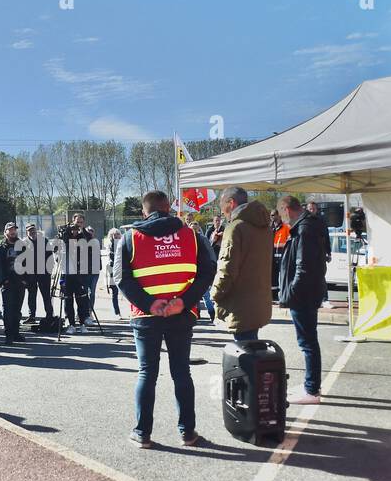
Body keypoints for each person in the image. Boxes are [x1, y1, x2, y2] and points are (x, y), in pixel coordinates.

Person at [116, 191, 216, 449]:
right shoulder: (192, 236)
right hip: (181, 314)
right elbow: (208, 271)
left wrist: (149, 303)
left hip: (146, 316)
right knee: (181, 372)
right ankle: (188, 433)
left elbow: (121, 279)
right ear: (169, 209)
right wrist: (185, 300)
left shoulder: (129, 238)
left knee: (147, 373)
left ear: (143, 212)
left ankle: (142, 433)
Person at [278, 196, 328, 404]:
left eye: (281, 214)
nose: (282, 219)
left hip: (303, 295)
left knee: (307, 342)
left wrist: (291, 291)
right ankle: (311, 385)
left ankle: (311, 389)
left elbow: (303, 267)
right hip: (309, 292)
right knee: (309, 341)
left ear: (287, 210)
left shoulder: (304, 229)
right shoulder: (311, 225)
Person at [210, 187, 273, 342]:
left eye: (222, 206)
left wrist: (215, 293)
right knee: (252, 348)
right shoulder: (264, 226)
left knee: (244, 356)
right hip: (258, 300)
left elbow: (227, 268)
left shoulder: (235, 228)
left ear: (231, 203)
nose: (222, 212)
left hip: (240, 304)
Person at [58, 214, 94, 333]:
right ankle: (71, 324)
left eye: (80, 223)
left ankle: (83, 323)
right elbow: (60, 241)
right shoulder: (66, 234)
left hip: (80, 273)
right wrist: (68, 230)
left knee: (82, 299)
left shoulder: (83, 235)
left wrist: (81, 230)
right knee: (68, 300)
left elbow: (89, 239)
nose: (77, 226)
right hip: (67, 273)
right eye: (76, 223)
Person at [0, 222, 27, 345]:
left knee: (17, 310)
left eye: (14, 229)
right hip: (7, 283)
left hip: (20, 282)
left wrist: (26, 280)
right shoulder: (0, 247)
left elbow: (28, 263)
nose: (13, 231)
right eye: (10, 230)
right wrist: (3, 280)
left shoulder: (22, 246)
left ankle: (16, 333)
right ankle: (8, 335)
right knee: (8, 310)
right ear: (5, 232)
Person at [23, 223, 52, 325]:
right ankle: (32, 316)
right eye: (30, 230)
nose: (32, 232)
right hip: (30, 274)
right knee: (31, 295)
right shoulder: (23, 243)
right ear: (27, 232)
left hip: (44, 273)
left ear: (36, 230)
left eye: (33, 230)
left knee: (46, 295)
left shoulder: (44, 241)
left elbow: (50, 256)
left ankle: (49, 315)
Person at [104, 228, 124, 318]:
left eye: (117, 234)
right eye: (114, 234)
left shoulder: (123, 244)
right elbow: (111, 257)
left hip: (123, 269)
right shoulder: (109, 245)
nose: (116, 236)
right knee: (114, 292)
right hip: (112, 269)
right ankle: (117, 312)